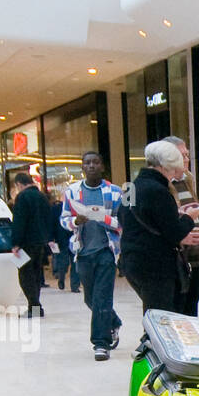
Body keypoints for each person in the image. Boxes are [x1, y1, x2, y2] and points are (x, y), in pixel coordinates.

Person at [119, 140, 199, 314]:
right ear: (164, 167)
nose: (173, 176)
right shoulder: (158, 191)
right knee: (160, 318)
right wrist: (189, 217)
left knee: (152, 312)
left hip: (131, 260)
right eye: (173, 171)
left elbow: (123, 218)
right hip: (156, 265)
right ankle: (150, 342)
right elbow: (175, 232)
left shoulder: (131, 187)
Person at [61, 151, 123, 361]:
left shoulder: (114, 192)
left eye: (96, 162)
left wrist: (102, 217)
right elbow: (64, 220)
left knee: (102, 298)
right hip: (82, 252)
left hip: (106, 251)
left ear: (102, 166)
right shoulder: (72, 192)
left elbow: (121, 223)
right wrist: (75, 222)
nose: (91, 166)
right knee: (90, 298)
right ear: (82, 168)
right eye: (87, 163)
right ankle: (112, 322)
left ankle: (100, 343)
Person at [163, 135, 199, 314]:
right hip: (179, 256)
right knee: (178, 307)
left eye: (187, 155)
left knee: (192, 306)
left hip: (198, 254)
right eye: (182, 156)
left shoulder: (188, 179)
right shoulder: (162, 185)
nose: (186, 160)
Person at [10, 172, 54, 316]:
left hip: (26, 243)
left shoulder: (22, 197)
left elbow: (19, 221)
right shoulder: (42, 196)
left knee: (25, 275)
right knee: (35, 274)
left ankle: (34, 307)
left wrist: (16, 243)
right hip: (40, 242)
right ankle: (35, 307)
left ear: (19, 184)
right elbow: (49, 219)